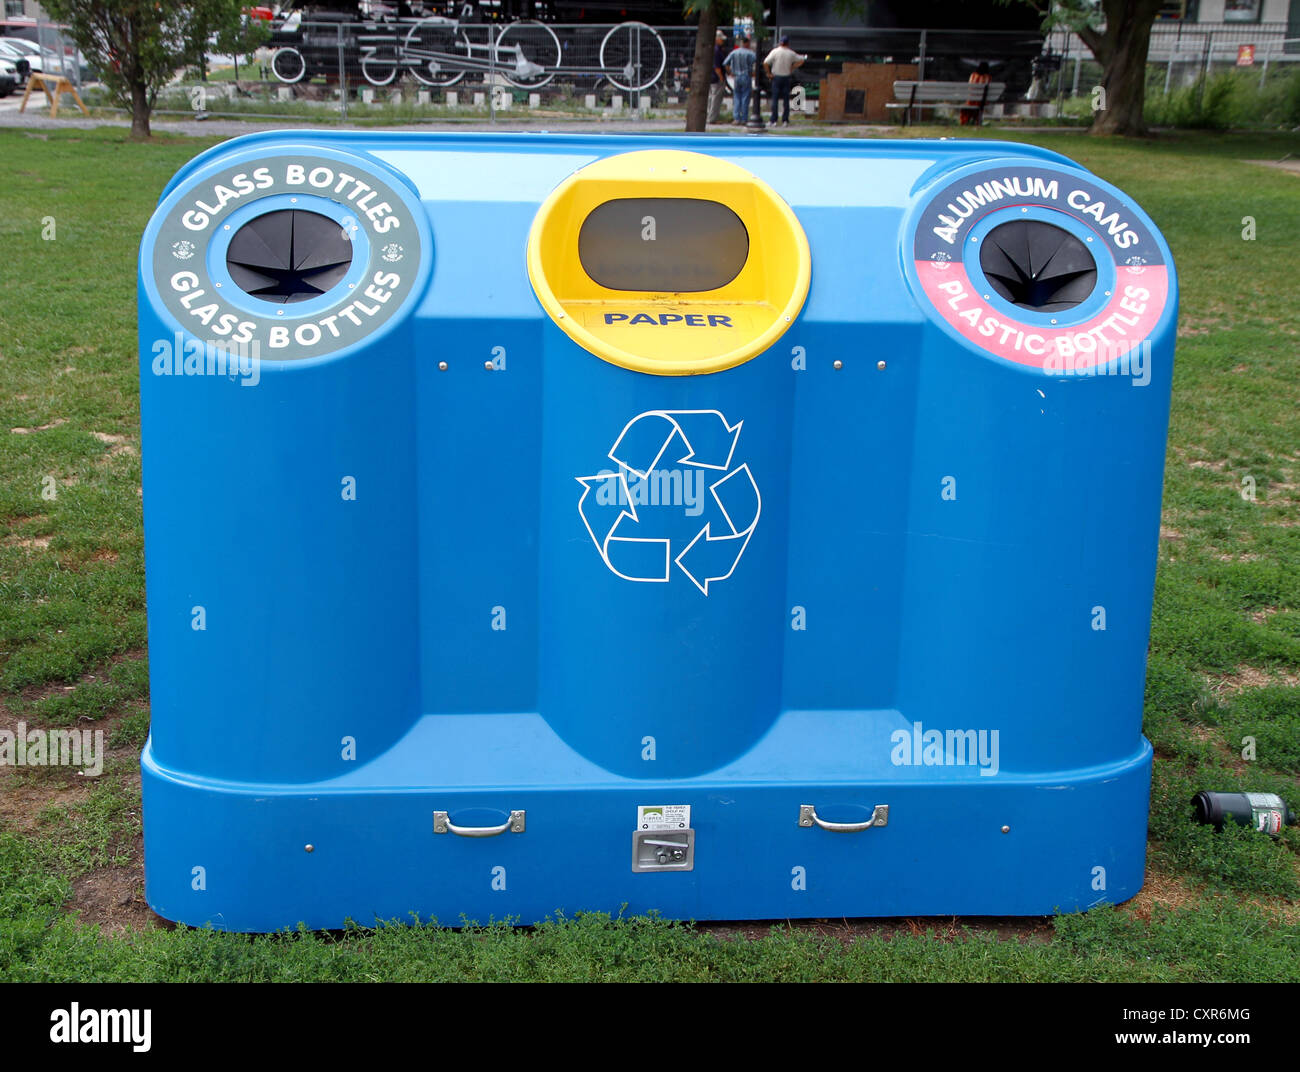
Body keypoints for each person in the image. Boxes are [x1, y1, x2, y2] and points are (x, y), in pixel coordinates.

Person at [763, 34, 805, 127]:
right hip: (786, 77)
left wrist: (768, 73)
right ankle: (785, 120)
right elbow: (802, 60)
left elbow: (765, 62)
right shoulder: (791, 53)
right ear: (788, 43)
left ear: (780, 43)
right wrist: (793, 67)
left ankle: (773, 120)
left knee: (775, 100)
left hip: (776, 77)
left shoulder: (775, 52)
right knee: (786, 100)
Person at [724, 34, 756, 124]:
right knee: (745, 97)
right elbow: (755, 63)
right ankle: (744, 118)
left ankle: (736, 118)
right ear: (747, 43)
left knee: (737, 96)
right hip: (746, 76)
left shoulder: (734, 52)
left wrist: (730, 72)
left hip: (736, 76)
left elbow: (725, 63)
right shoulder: (750, 53)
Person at [962, 60, 991, 126]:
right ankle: (976, 121)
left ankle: (967, 121)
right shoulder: (988, 77)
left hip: (971, 100)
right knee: (978, 103)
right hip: (982, 102)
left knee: (969, 104)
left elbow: (969, 87)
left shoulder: (973, 75)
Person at [708, 30, 728, 124]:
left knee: (711, 98)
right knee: (715, 99)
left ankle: (710, 116)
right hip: (716, 78)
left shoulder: (713, 49)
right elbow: (717, 67)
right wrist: (721, 77)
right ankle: (712, 118)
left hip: (712, 77)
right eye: (721, 39)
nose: (722, 41)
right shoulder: (717, 51)